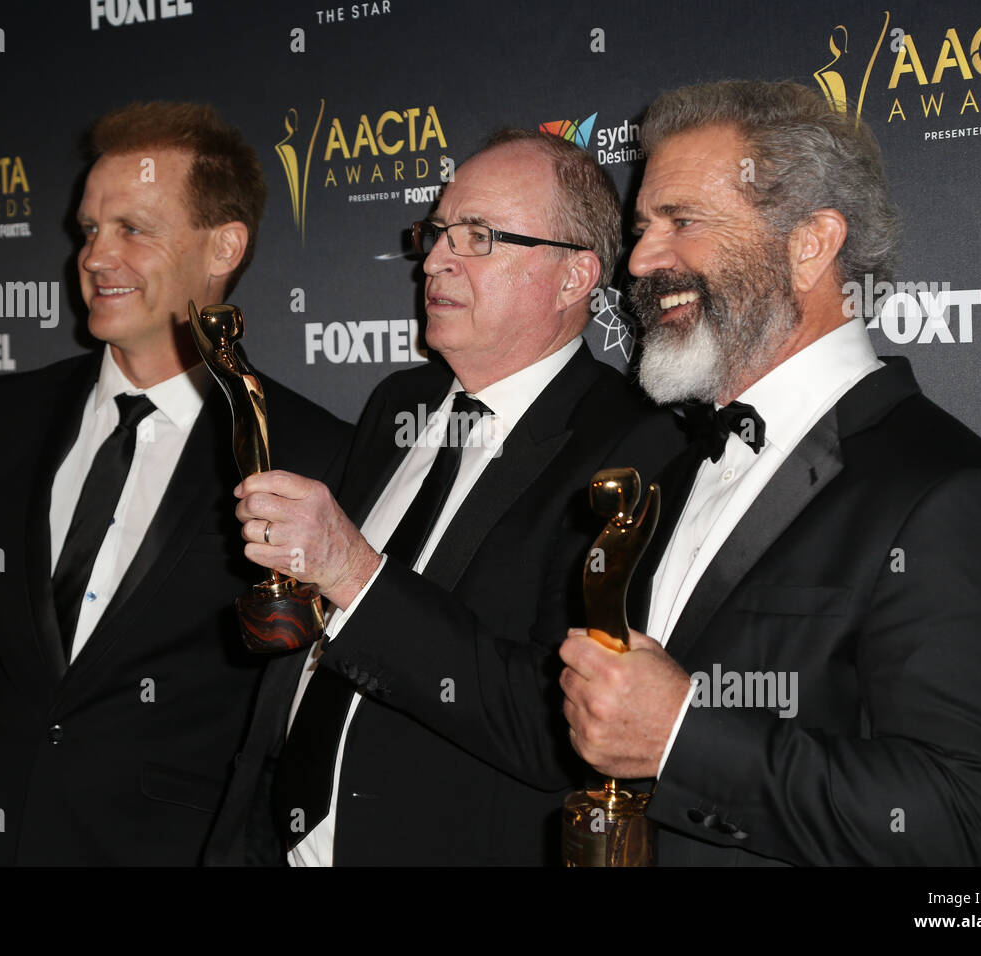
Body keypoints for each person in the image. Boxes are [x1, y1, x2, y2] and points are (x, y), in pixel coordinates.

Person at [559, 80, 981, 866]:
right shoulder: (671, 461)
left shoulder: (953, 498)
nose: (641, 261)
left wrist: (684, 735)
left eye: (682, 222)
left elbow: (978, 834)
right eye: (641, 228)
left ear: (810, 244)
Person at [204, 129, 665, 866]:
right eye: (439, 232)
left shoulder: (635, 449)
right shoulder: (400, 402)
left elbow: (557, 726)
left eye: (479, 236)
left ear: (575, 277)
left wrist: (352, 570)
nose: (436, 259)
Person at [0, 101, 349, 865]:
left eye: (133, 229)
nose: (93, 255)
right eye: (89, 229)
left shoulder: (308, 451)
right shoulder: (3, 417)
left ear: (224, 246)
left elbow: (287, 710)